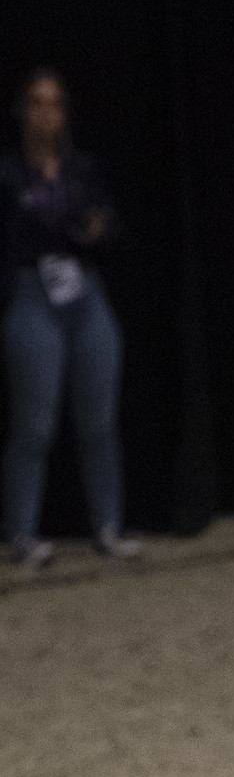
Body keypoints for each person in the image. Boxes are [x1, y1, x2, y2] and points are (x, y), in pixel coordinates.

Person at [0, 71, 138, 566]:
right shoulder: (9, 173)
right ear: (22, 111)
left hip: (85, 291)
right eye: (37, 102)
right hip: (32, 293)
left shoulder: (82, 168)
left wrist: (97, 229)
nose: (47, 113)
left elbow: (109, 226)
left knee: (99, 421)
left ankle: (108, 529)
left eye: (55, 103)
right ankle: (22, 534)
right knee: (34, 424)